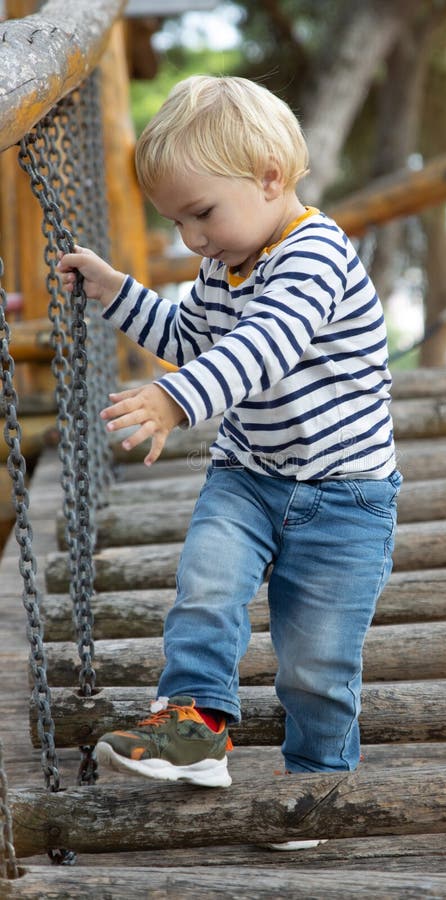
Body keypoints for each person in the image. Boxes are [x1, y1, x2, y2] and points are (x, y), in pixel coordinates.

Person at [58, 75, 401, 818]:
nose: (192, 239)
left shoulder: (316, 255)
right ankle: (198, 726)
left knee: (316, 667)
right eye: (178, 222)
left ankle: (316, 785)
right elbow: (191, 339)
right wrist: (118, 291)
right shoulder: (224, 267)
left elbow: (262, 347)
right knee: (206, 587)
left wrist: (174, 401)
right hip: (248, 475)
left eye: (202, 213)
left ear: (270, 178)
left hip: (345, 497)